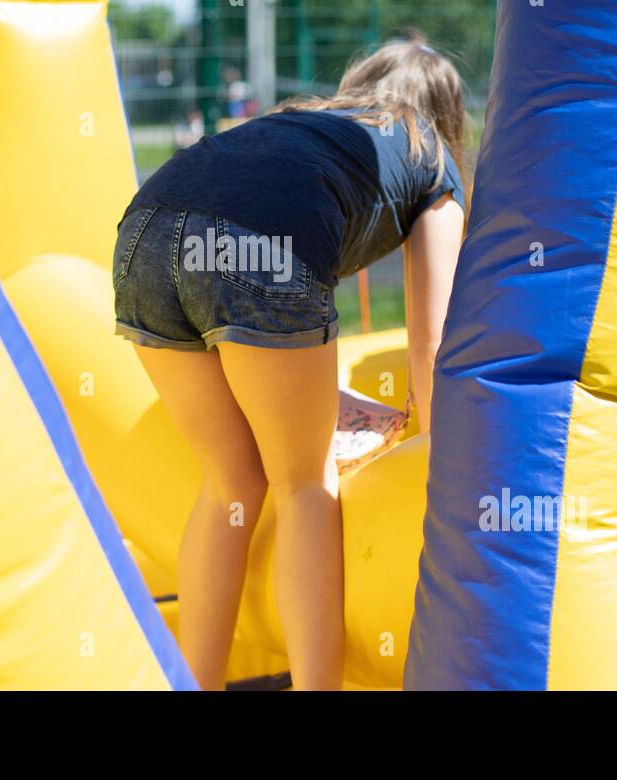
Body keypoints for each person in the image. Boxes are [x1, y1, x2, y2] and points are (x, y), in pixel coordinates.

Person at [111, 34, 469, 689]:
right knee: (304, 487)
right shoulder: (430, 155)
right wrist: (443, 463)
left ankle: (197, 681)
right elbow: (432, 339)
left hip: (144, 234)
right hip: (258, 244)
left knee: (230, 482)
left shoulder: (299, 123)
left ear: (358, 83)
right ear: (447, 117)